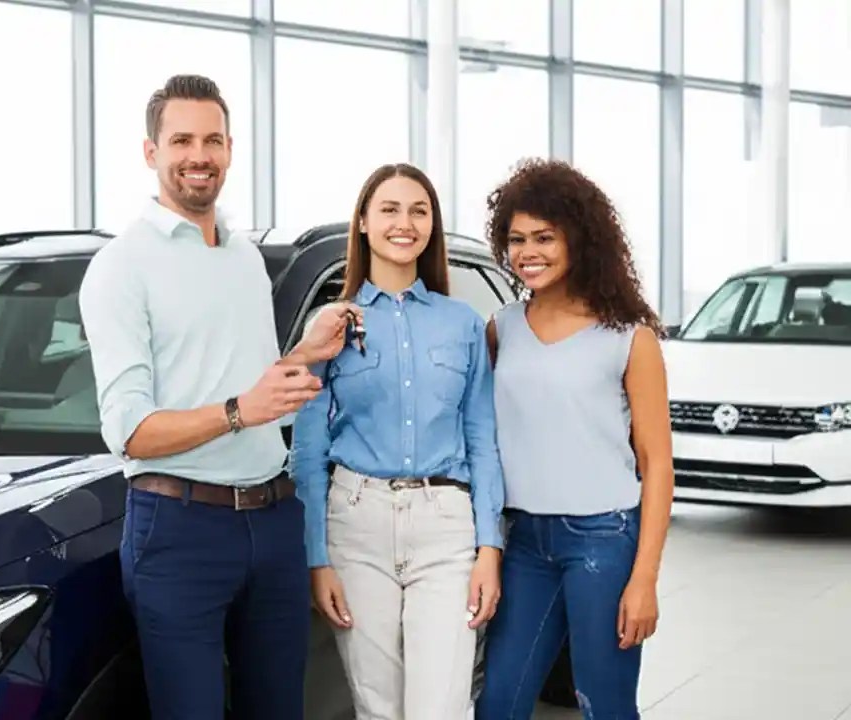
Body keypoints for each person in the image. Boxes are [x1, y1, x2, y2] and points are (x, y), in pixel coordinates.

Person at [77, 74, 360, 720]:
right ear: (151, 152)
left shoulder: (241, 258)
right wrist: (239, 412)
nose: (198, 156)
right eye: (181, 141)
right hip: (180, 529)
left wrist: (302, 355)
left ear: (230, 149)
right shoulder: (122, 266)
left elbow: (248, 387)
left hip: (274, 518)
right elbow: (129, 431)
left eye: (212, 140)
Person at [290, 162, 506, 719]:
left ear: (432, 224)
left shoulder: (462, 323)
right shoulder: (330, 325)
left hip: (446, 527)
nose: (404, 223)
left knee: (442, 707)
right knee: (377, 708)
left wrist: (490, 548)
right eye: (389, 209)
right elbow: (308, 453)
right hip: (356, 525)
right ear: (363, 222)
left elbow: (482, 440)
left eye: (418, 210)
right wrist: (317, 558)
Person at [474, 157, 674, 720]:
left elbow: (658, 464)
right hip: (524, 541)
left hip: (603, 540)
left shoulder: (629, 337)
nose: (527, 252)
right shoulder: (502, 328)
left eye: (544, 237)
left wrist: (644, 578)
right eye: (517, 239)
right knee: (498, 702)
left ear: (579, 241)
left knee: (604, 704)